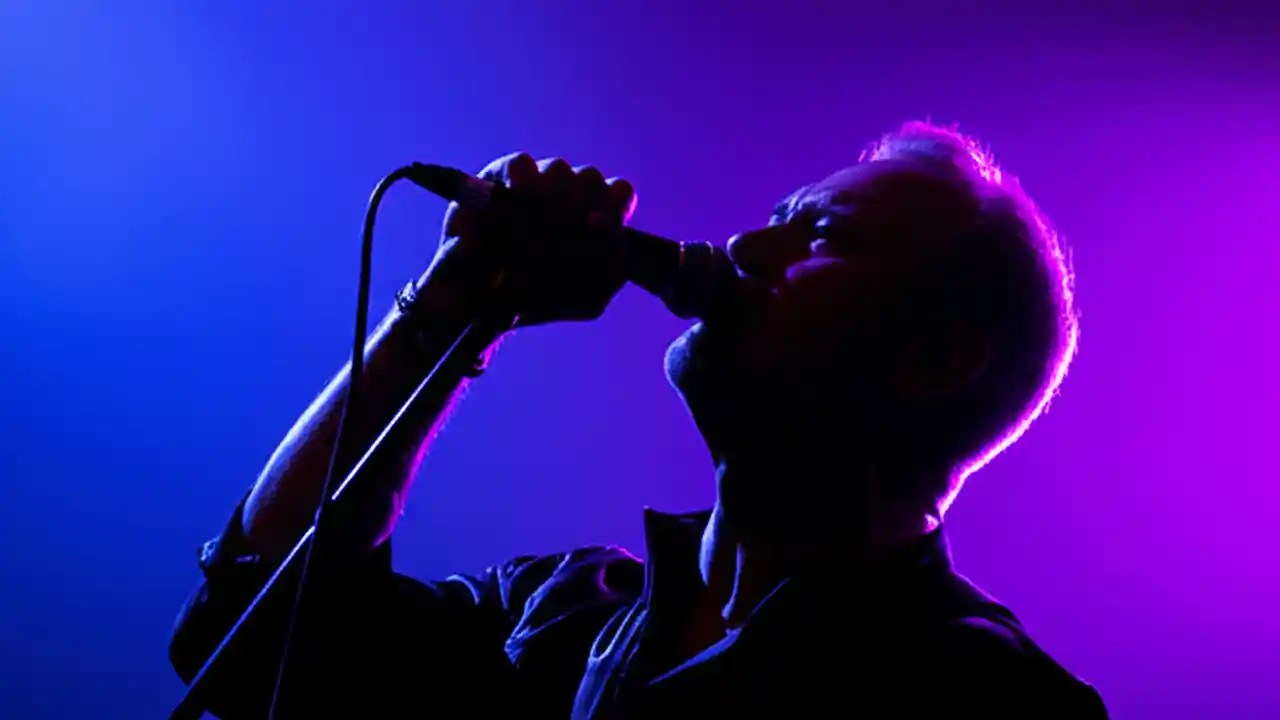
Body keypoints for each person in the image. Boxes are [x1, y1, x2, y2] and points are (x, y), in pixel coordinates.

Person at [169, 121, 1108, 719]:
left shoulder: (986, 695)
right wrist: (454, 305)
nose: (743, 244)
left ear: (939, 358)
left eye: (821, 235)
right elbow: (252, 635)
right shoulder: (564, 609)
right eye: (776, 216)